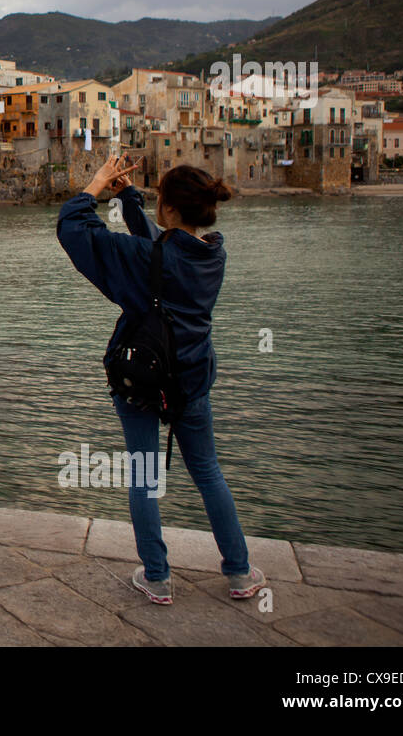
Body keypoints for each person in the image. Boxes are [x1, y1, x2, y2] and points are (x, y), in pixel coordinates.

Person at [55, 154, 266, 606]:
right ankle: (240, 572)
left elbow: (75, 228)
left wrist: (95, 184)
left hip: (142, 378)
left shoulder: (148, 257)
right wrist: (129, 198)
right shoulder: (212, 253)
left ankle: (157, 577)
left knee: (145, 477)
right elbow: (160, 248)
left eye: (156, 201)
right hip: (190, 378)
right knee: (208, 472)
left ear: (168, 209)